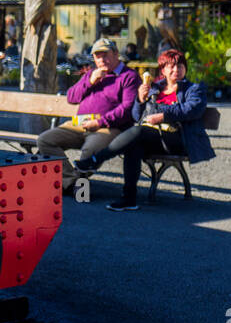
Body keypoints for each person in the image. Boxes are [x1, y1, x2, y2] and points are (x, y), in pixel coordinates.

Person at [76, 48, 215, 211]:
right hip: (154, 138)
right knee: (133, 144)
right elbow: (136, 116)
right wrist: (140, 100)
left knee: (138, 132)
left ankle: (95, 160)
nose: (176, 70)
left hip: (178, 139)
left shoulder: (194, 89)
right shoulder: (154, 88)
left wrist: (163, 116)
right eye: (171, 66)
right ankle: (129, 199)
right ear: (163, 70)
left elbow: (191, 110)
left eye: (180, 66)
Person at [36, 37, 139, 192]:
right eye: (98, 56)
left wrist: (100, 122)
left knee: (89, 152)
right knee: (45, 140)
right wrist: (90, 81)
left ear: (116, 54)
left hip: (108, 127)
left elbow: (127, 108)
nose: (102, 59)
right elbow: (72, 97)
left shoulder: (128, 76)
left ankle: (73, 185)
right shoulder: (91, 74)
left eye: (105, 54)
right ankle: (72, 182)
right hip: (79, 123)